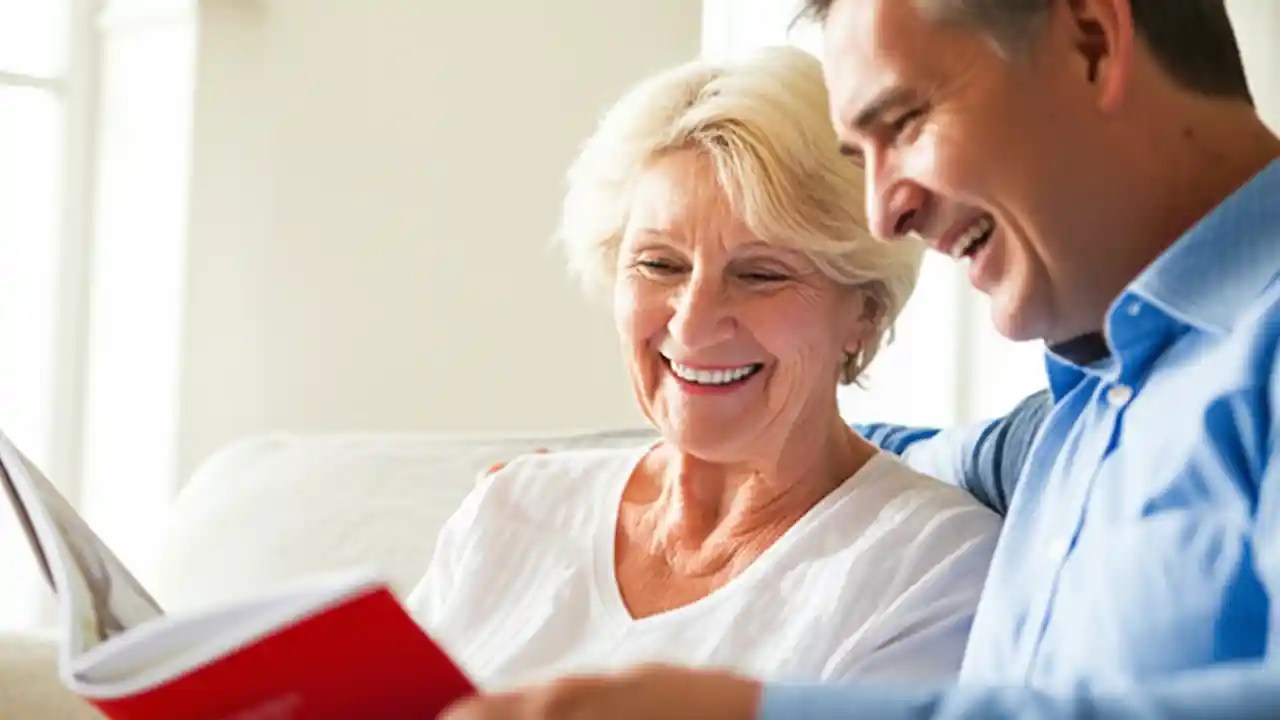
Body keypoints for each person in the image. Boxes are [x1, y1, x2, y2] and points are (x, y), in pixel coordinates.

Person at [441, 0, 1280, 717]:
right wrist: (684, 449)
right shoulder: (1087, 407)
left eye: (906, 121)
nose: (885, 212)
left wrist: (756, 712)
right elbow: (878, 458)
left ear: (1091, 43)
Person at [406, 46, 1002, 692]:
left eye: (760, 274)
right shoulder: (510, 511)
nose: (692, 324)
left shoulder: (931, 568)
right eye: (659, 265)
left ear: (865, 309)